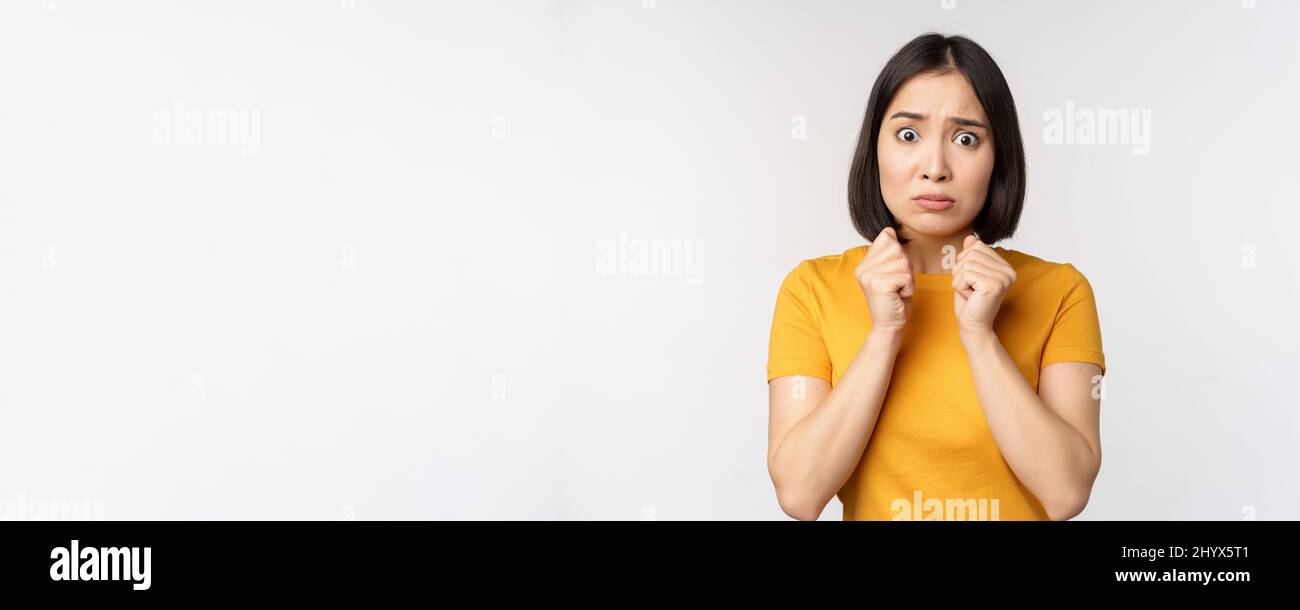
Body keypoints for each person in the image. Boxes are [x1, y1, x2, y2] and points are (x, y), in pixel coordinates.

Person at [766, 33, 1106, 521]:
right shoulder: (812, 289)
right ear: (874, 147)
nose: (935, 167)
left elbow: (1067, 491)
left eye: (966, 138)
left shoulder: (1059, 291)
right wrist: (883, 336)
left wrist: (980, 336)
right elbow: (800, 495)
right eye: (909, 135)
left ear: (998, 158)